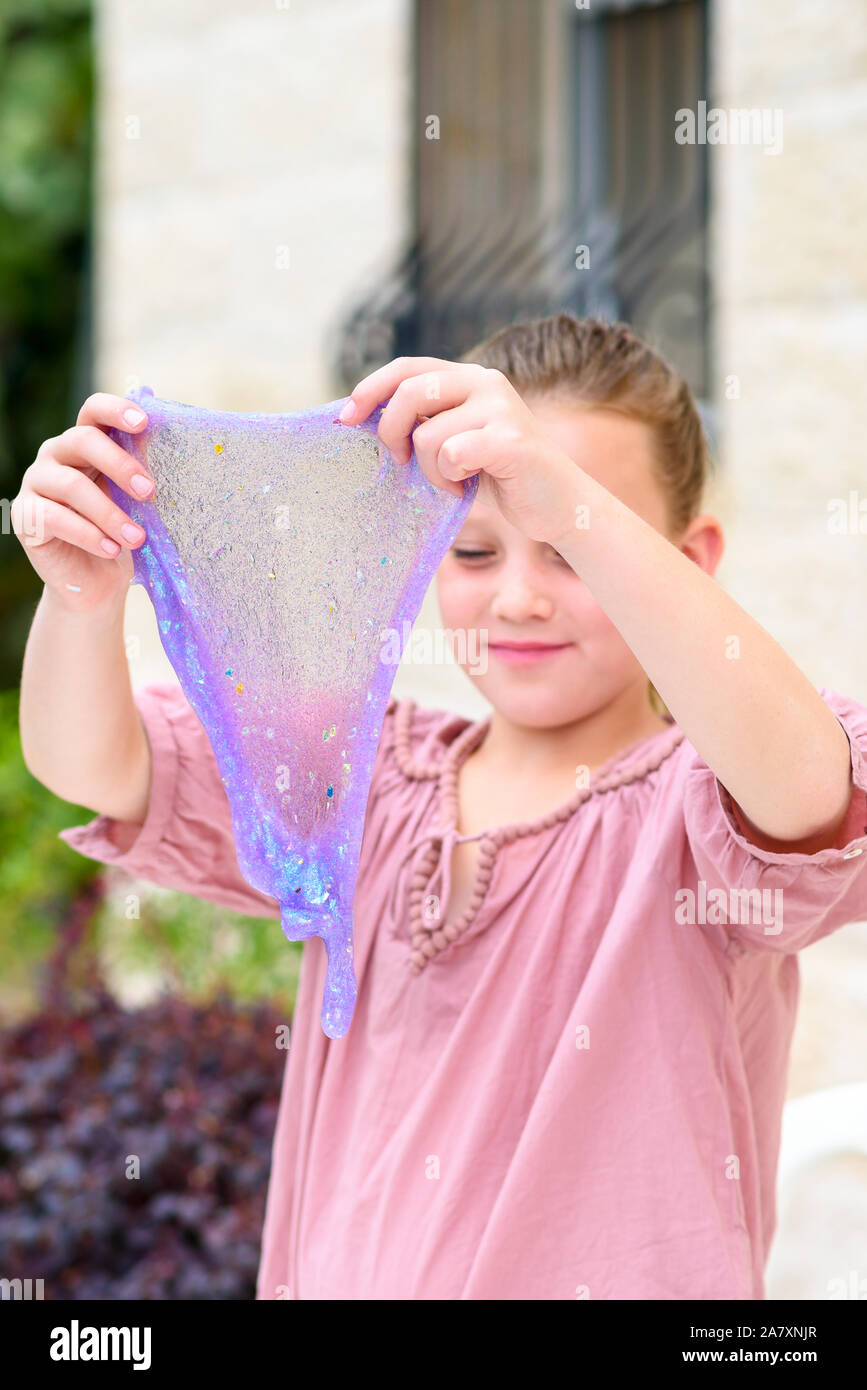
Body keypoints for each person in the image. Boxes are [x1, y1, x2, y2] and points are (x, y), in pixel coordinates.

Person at [15, 313, 867, 1300]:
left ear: (691, 556)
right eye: (472, 553)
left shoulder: (701, 815)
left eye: (569, 549)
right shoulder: (364, 779)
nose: (519, 599)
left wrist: (571, 502)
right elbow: (97, 764)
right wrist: (81, 597)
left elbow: (810, 786)